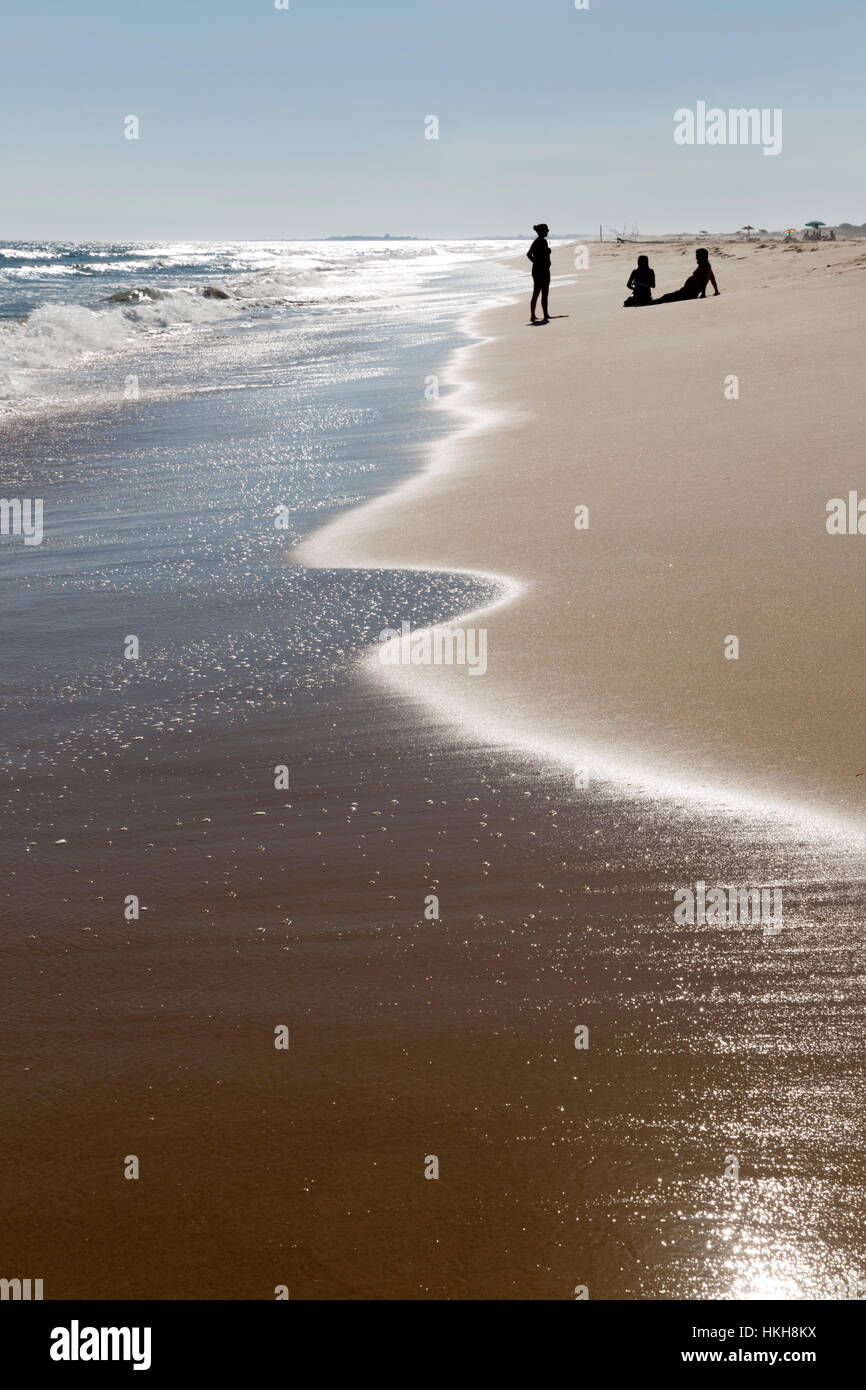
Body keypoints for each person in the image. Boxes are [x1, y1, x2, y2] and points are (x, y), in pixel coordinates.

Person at [653, 247, 720, 305]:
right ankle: (652, 302)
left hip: (688, 293)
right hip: (686, 291)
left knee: (666, 297)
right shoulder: (707, 266)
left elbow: (703, 280)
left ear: (702, 257)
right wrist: (716, 290)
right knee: (667, 297)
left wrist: (703, 294)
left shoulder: (704, 267)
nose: (696, 258)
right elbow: (712, 278)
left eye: (697, 256)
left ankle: (650, 303)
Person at [527, 223, 551, 322]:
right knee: (537, 292)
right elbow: (528, 254)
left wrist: (537, 263)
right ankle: (533, 315)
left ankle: (545, 314)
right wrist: (537, 263)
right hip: (539, 271)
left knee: (544, 292)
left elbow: (530, 254)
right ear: (542, 231)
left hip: (544, 269)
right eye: (546, 229)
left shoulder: (542, 241)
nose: (548, 231)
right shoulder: (539, 241)